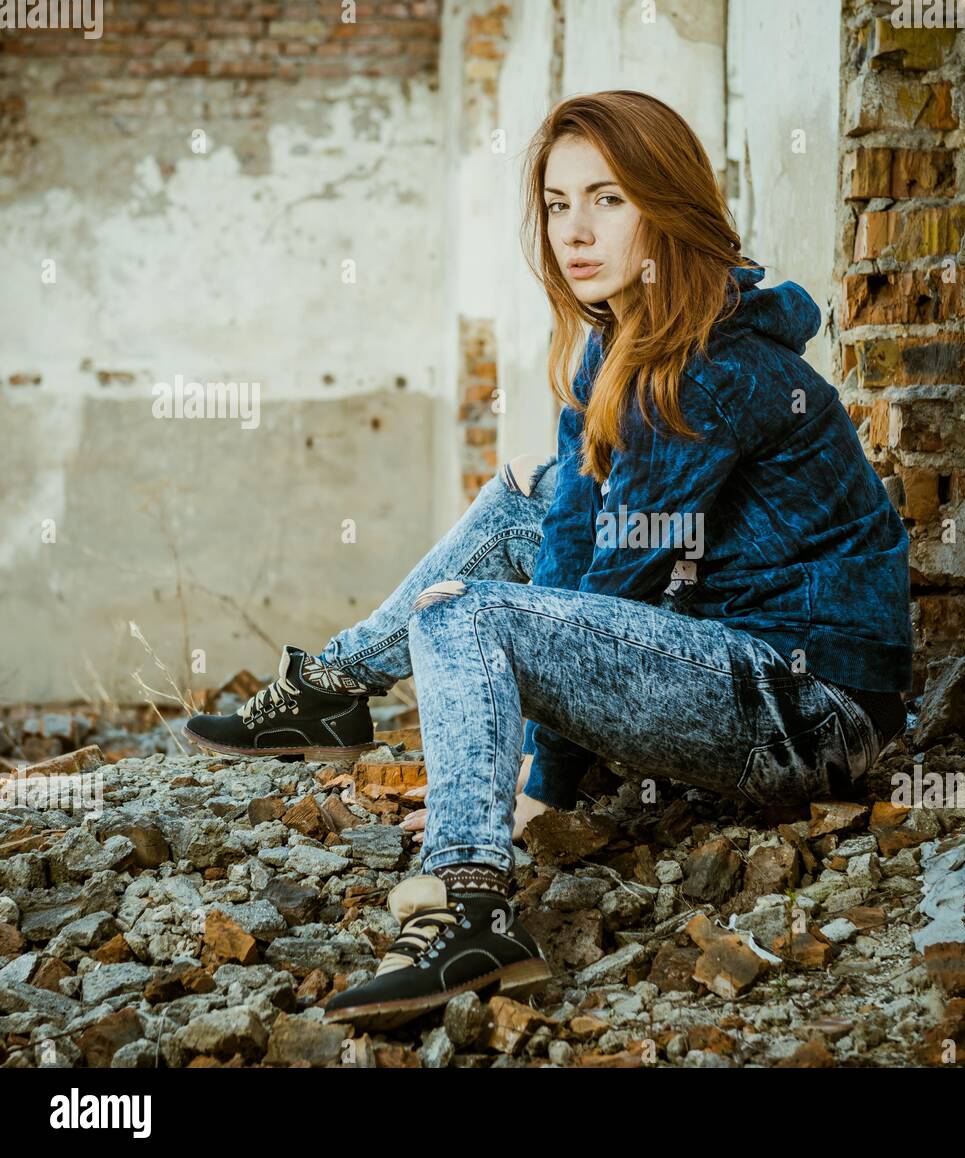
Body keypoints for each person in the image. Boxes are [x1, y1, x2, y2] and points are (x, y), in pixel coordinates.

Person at [184, 90, 912, 1032]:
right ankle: (334, 684)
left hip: (813, 710)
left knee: (466, 613)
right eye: (560, 203)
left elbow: (609, 586)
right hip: (726, 652)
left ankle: (469, 902)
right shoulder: (621, 346)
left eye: (609, 199)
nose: (577, 230)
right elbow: (569, 544)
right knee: (523, 506)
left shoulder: (708, 369)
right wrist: (539, 766)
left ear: (666, 205)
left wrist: (539, 788)